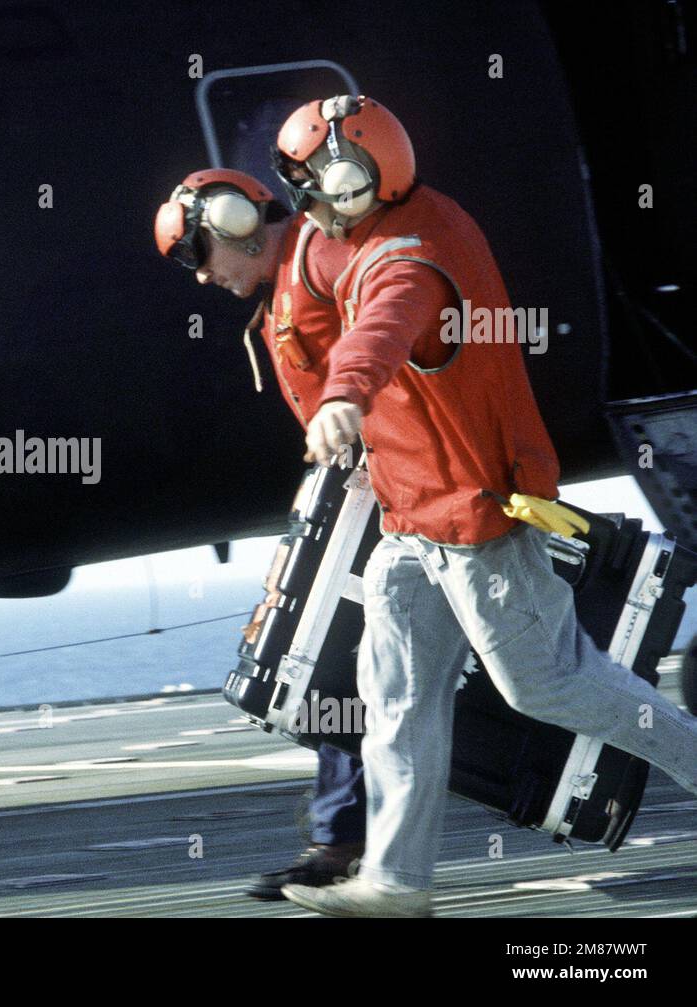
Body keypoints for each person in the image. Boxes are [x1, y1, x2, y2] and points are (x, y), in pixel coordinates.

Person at [243, 94, 697, 917]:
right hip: (410, 522)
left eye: (315, 193)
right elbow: (316, 271)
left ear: (353, 185)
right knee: (396, 700)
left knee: (553, 686)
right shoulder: (366, 223)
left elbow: (384, 325)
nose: (306, 213)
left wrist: (343, 394)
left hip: (474, 520)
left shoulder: (412, 258)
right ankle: (396, 883)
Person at [154, 167, 373, 899]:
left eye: (197, 253)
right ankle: (348, 846)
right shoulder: (290, 283)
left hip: (393, 499)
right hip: (365, 497)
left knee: (347, 665)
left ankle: (352, 849)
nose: (201, 277)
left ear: (235, 221)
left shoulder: (319, 259)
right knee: (342, 668)